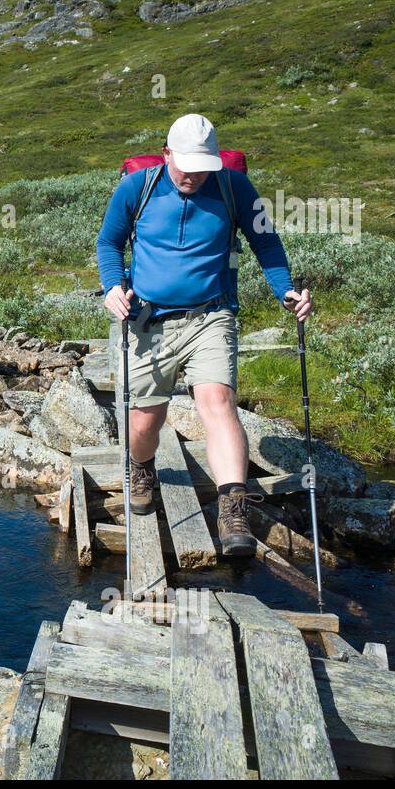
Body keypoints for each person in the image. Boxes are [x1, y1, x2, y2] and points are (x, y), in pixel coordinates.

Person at [96, 113, 312, 555]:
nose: (193, 175)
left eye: (202, 166)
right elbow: (108, 242)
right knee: (145, 419)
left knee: (217, 401)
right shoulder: (137, 188)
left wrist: (285, 291)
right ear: (167, 153)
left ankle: (233, 509)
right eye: (185, 164)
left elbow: (266, 244)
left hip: (210, 316)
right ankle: (141, 467)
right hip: (146, 320)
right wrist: (112, 286)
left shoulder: (234, 189)